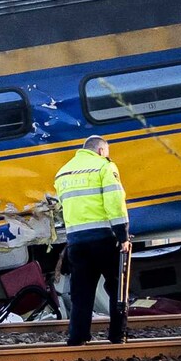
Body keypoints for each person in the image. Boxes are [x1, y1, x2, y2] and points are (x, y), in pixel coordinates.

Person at [53, 133, 132, 345]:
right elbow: (115, 202)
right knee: (118, 288)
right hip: (104, 239)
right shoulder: (104, 167)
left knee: (81, 292)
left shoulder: (62, 173)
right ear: (101, 151)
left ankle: (77, 337)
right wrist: (123, 236)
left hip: (76, 242)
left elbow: (64, 210)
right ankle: (118, 335)